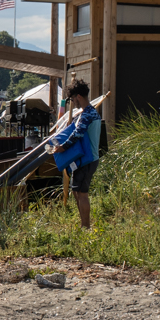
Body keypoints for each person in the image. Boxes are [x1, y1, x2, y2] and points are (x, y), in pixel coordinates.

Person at [48, 79, 100, 230]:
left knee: (82, 193)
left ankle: (86, 227)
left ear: (78, 96)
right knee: (76, 191)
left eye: (72, 99)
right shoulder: (88, 113)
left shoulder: (87, 114)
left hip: (88, 160)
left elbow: (77, 134)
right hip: (82, 159)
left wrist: (62, 148)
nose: (72, 103)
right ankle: (83, 225)